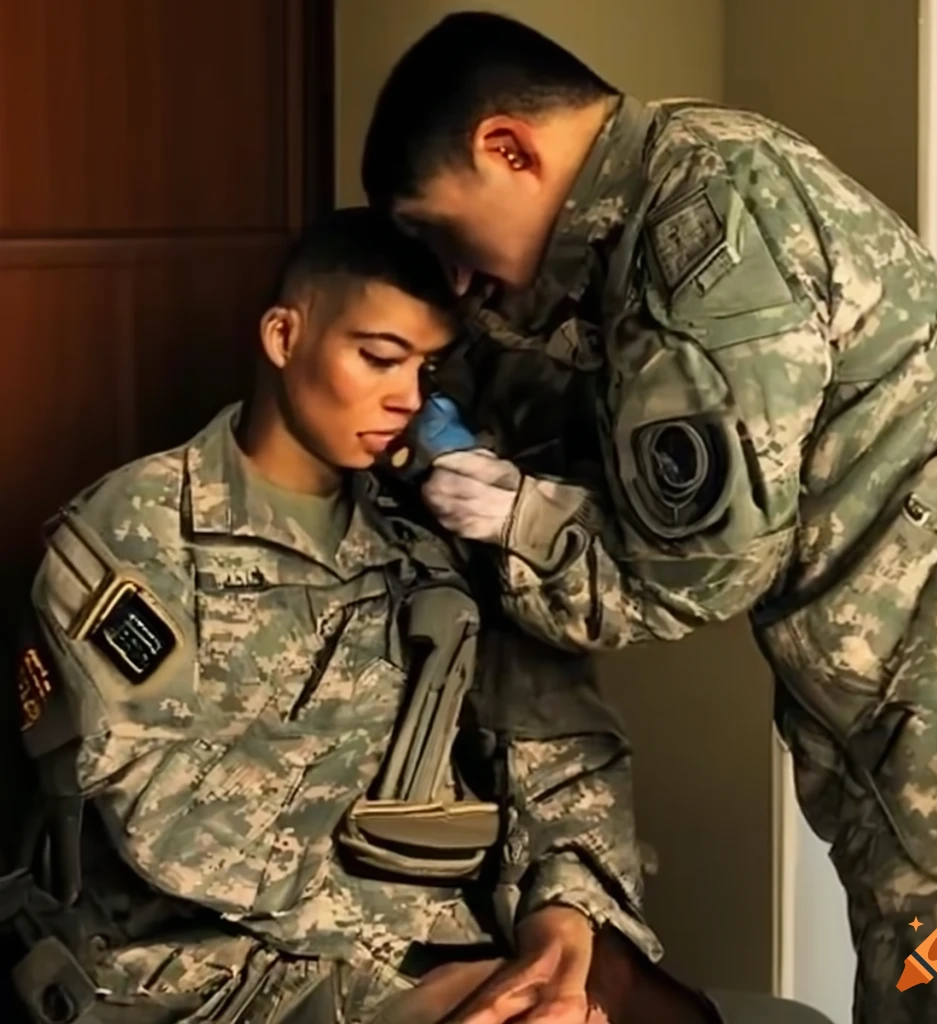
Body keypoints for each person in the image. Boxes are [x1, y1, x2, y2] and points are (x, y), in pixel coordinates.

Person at [361, 12, 937, 1024]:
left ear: (508, 148)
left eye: (441, 232)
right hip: (935, 696)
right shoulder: (690, 175)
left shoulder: (700, 239)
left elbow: (687, 574)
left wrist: (508, 513)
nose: (454, 277)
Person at [10, 207, 681, 1024]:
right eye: (378, 359)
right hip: (199, 972)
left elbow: (558, 745)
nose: (405, 399)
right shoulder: (140, 530)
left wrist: (562, 916)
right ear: (284, 337)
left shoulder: (431, 532)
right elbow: (168, 815)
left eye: (427, 372)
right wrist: (445, 941)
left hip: (430, 947)